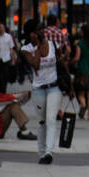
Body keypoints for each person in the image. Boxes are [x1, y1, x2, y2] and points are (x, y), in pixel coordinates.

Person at [21, 19, 62, 164]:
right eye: (37, 30)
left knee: (51, 119)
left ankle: (49, 152)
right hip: (38, 89)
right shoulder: (26, 49)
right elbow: (36, 65)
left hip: (54, 87)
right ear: (31, 34)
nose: (41, 32)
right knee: (42, 121)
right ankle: (41, 153)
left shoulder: (53, 45)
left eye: (42, 29)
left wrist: (70, 87)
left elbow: (62, 64)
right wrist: (38, 47)